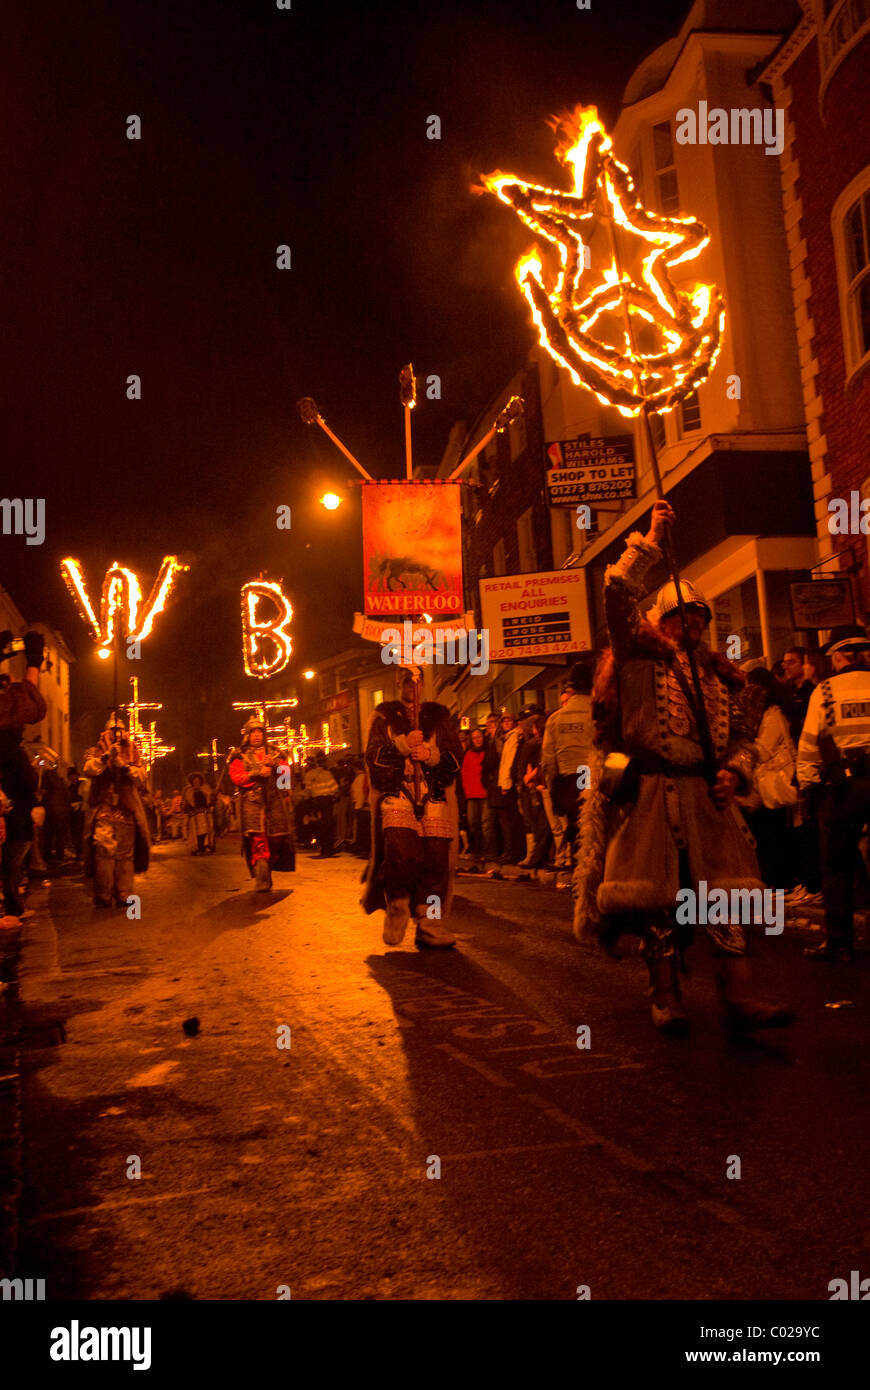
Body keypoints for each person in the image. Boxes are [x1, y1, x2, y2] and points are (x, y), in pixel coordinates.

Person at [573, 500, 794, 1037]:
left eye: (699, 617)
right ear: (661, 621)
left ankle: (740, 998)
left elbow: (744, 740)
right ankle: (665, 997)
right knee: (662, 907)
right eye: (681, 616)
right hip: (650, 796)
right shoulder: (636, 655)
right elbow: (617, 592)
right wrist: (651, 538)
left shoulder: (721, 676)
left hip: (706, 800)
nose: (691, 622)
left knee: (723, 903)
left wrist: (737, 774)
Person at [362, 667, 462, 949]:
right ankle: (398, 904)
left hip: (434, 796)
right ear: (399, 684)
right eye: (406, 681)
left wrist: (431, 755)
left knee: (436, 859)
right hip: (398, 793)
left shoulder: (439, 716)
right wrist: (402, 745)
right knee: (401, 851)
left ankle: (430, 922)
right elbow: (374, 756)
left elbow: (456, 759)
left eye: (415, 682)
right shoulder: (384, 716)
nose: (411, 687)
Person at [797, 626, 870, 962]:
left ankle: (840, 943)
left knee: (836, 865)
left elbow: (810, 745)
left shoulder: (825, 692)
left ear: (839, 656)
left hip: (846, 789)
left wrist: (808, 785)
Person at [739, 667, 798, 890]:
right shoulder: (769, 712)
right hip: (766, 782)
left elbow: (763, 750)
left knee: (772, 832)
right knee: (770, 831)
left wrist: (742, 750)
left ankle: (779, 879)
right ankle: (775, 878)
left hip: (773, 780)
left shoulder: (773, 713)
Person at [83, 719, 150, 908]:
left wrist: (124, 766)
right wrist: (105, 758)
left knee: (124, 854)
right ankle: (103, 894)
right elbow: (89, 768)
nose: (116, 733)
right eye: (113, 730)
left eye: (120, 730)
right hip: (103, 808)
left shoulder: (133, 751)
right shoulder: (95, 750)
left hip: (126, 809)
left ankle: (124, 892)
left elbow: (141, 776)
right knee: (103, 850)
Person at [227, 716, 295, 891]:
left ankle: (268, 871)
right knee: (258, 841)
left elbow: (286, 779)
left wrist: (275, 767)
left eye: (260, 732)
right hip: (252, 803)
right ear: (248, 735)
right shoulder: (239, 755)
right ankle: (262, 879)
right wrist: (256, 773)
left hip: (274, 802)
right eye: (253, 732)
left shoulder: (276, 753)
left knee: (276, 840)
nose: (257, 735)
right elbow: (236, 777)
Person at [541, 661, 594, 878]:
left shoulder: (555, 718)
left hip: (568, 779)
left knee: (575, 824)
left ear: (570, 689)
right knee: (596, 826)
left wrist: (553, 785)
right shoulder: (599, 711)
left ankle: (578, 872)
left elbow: (548, 760)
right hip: (592, 776)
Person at [0, 728, 39, 928]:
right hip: (16, 817)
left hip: (13, 815)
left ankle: (12, 906)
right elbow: (27, 783)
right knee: (12, 864)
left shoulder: (9, 755)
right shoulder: (15, 755)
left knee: (10, 863)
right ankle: (13, 907)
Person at [460, 728, 487, 872]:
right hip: (472, 794)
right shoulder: (468, 755)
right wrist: (466, 790)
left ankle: (486, 852)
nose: (477, 739)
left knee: (485, 825)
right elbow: (465, 773)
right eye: (474, 737)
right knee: (473, 824)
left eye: (479, 737)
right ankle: (477, 850)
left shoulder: (487, 753)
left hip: (484, 793)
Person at [304, 756, 339, 857]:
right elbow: (335, 788)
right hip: (328, 801)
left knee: (319, 826)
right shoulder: (327, 773)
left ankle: (323, 849)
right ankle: (330, 849)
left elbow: (307, 791)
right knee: (329, 825)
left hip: (316, 802)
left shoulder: (309, 775)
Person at [782, 646, 815, 744]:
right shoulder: (786, 690)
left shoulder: (812, 690)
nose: (786, 667)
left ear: (803, 663)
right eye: (785, 663)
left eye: (791, 662)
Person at [184, 772, 215, 855]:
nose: (196, 782)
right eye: (195, 781)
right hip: (195, 816)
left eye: (198, 781)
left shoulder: (206, 790)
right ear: (192, 782)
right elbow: (187, 805)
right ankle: (197, 848)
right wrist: (190, 812)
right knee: (196, 833)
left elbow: (210, 802)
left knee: (206, 832)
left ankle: (206, 846)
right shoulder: (189, 792)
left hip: (205, 815)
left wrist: (211, 799)